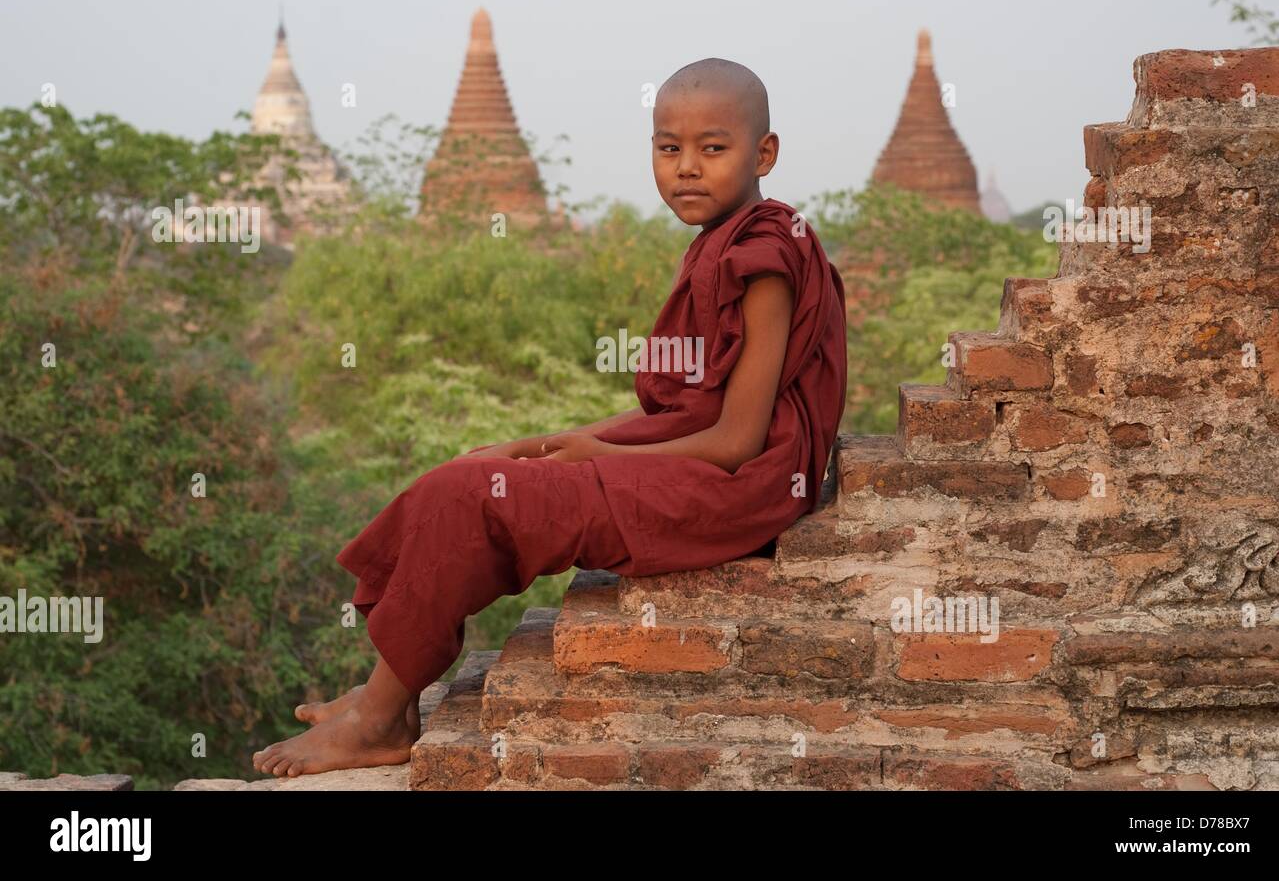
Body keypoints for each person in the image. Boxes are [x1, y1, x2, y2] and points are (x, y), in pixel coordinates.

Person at [251, 57, 847, 777]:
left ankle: (380, 718)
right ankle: (393, 687)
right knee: (476, 465)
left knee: (469, 499)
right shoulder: (719, 242)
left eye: (712, 149)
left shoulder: (766, 257)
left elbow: (736, 439)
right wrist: (552, 442)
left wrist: (595, 454)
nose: (687, 168)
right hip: (696, 458)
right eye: (668, 149)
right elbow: (684, 409)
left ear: (765, 153)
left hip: (735, 491)